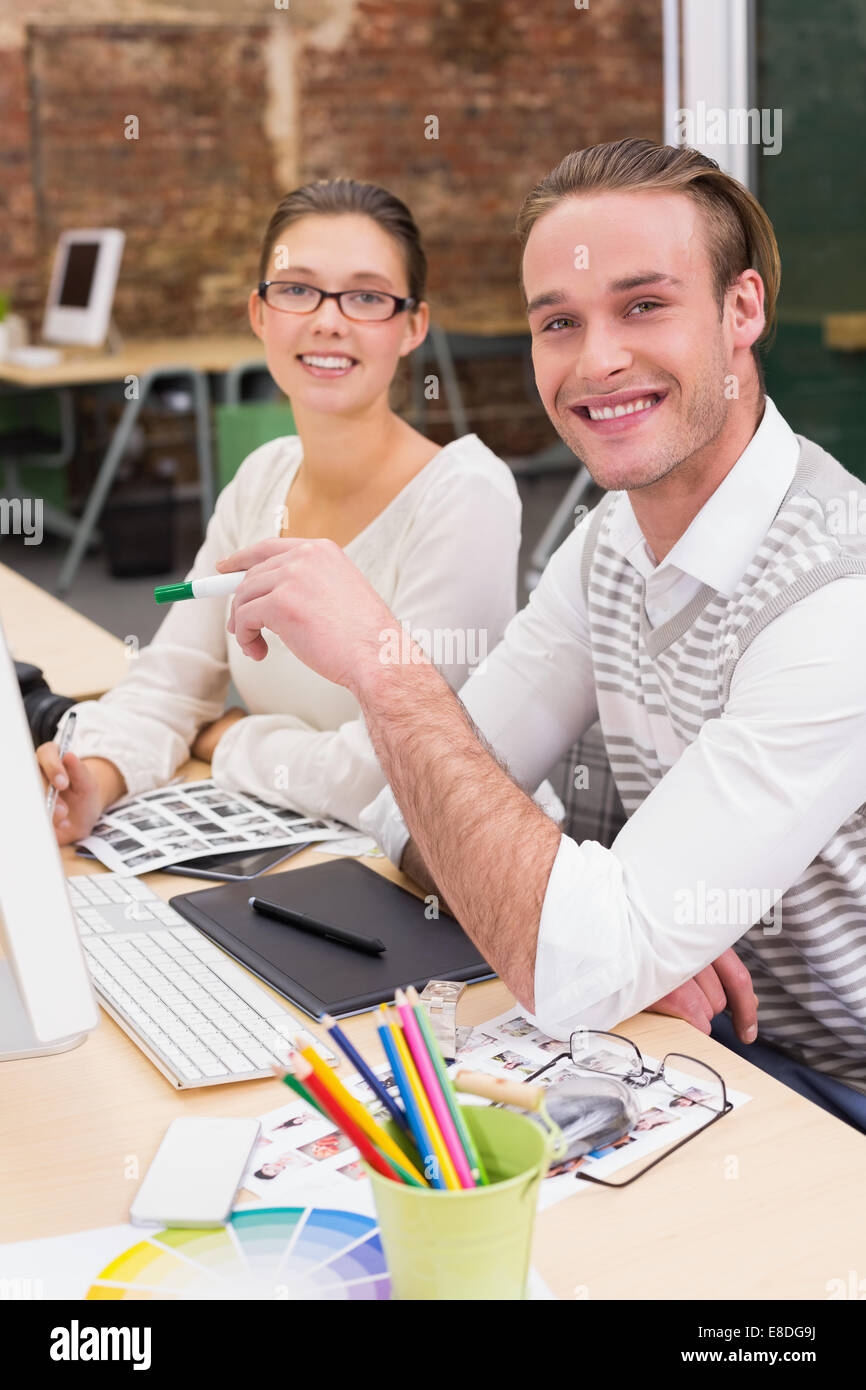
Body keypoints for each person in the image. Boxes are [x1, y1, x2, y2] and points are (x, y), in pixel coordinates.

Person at [206, 140, 866, 1132]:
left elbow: (557, 931)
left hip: (830, 1099)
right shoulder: (606, 545)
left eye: (643, 305)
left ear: (741, 311)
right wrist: (616, 927)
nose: (594, 359)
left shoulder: (833, 597)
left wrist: (385, 673)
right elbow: (411, 817)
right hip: (698, 1054)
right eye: (558, 322)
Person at [37, 178, 522, 838]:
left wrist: (232, 738)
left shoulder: (466, 495)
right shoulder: (262, 478)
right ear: (261, 314)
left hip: (440, 880)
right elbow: (172, 683)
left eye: (366, 296)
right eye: (297, 289)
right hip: (303, 846)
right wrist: (95, 774)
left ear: (412, 327)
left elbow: (397, 771)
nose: (328, 319)